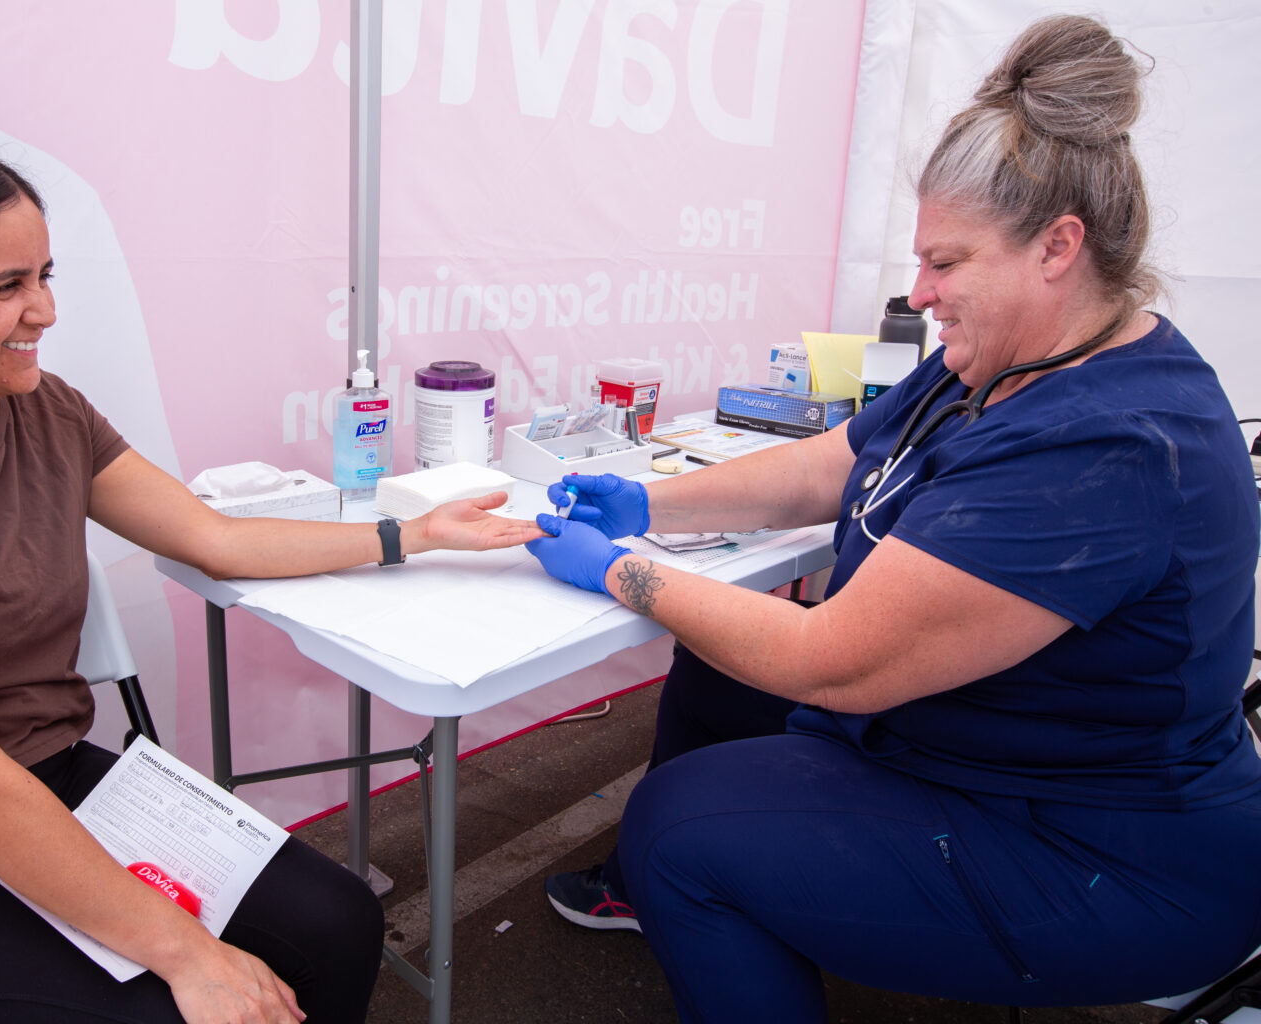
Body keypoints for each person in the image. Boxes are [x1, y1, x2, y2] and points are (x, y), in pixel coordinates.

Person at [526, 15, 1261, 1022]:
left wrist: (622, 571)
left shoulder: (1108, 447)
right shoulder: (995, 360)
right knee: (718, 668)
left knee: (673, 828)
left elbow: (835, 658)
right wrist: (649, 497)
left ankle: (693, 885)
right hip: (997, 748)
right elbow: (833, 464)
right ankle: (727, 894)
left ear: (1059, 246)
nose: (919, 294)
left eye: (946, 263)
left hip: (1105, 852)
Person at [0, 137, 545, 1024]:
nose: (42, 310)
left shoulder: (45, 410)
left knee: (336, 923)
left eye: (45, 275)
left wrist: (411, 534)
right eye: (5, 288)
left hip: (40, 779)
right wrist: (189, 955)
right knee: (167, 1007)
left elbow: (211, 537)